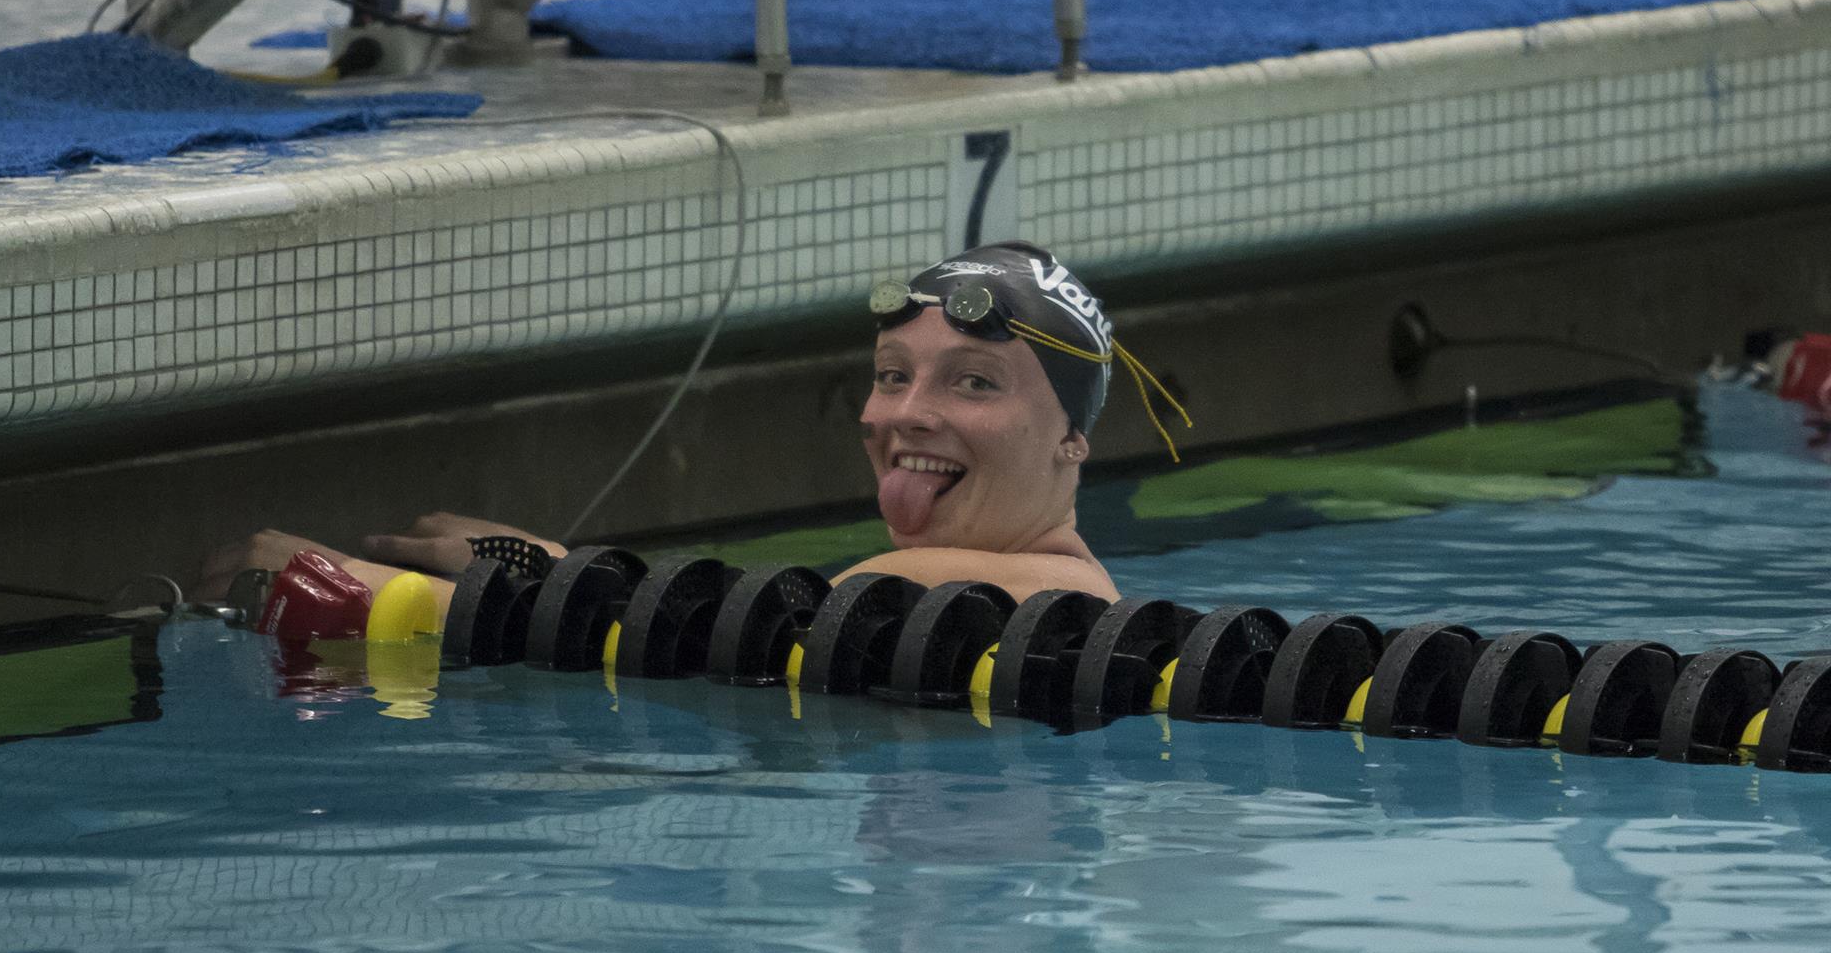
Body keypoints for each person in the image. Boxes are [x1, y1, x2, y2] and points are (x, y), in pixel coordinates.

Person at [196, 242, 1187, 608]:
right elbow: (731, 622)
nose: (907, 413)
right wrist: (547, 564)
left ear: (1074, 438)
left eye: (973, 383)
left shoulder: (1008, 592)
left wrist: (348, 587)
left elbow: (723, 635)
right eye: (892, 375)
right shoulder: (993, 580)